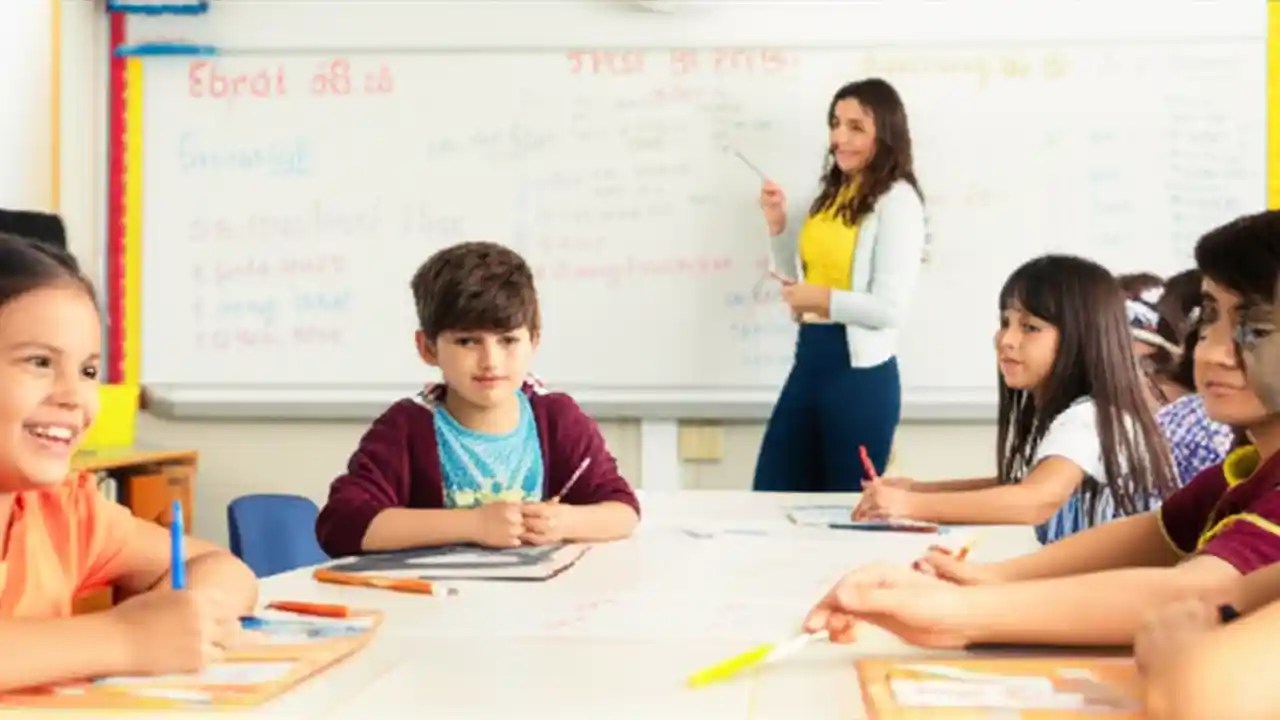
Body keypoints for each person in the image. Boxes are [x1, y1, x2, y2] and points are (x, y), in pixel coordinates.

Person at [803, 210, 1280, 650]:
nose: (1212, 352)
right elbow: (1157, 534)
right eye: (1210, 318)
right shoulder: (1244, 469)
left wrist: (959, 612)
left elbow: (1207, 590)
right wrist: (995, 580)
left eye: (1255, 329)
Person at [0, 233, 257, 692]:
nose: (74, 396)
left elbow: (222, 565)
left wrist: (186, 618)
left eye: (89, 372)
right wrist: (124, 639)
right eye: (39, 361)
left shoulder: (65, 512)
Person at [315, 241, 640, 556]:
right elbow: (342, 525)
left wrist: (565, 521)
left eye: (508, 340)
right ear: (428, 348)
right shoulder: (406, 428)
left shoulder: (556, 418)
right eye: (468, 341)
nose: (490, 361)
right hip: (433, 605)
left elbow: (623, 510)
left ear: (534, 340)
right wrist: (473, 524)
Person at [853, 255, 1176, 543]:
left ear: (1081, 338)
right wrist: (915, 490)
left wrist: (910, 506)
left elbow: (1035, 500)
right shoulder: (1088, 413)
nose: (1006, 340)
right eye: (1005, 323)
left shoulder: (1087, 418)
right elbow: (1023, 485)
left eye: (1030, 327)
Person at [752, 77, 927, 493]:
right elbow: (795, 278)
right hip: (810, 362)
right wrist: (778, 225)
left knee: (847, 512)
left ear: (884, 134)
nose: (839, 138)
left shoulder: (898, 201)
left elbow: (889, 309)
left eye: (855, 127)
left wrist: (821, 298)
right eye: (835, 123)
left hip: (859, 378)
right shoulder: (831, 194)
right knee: (772, 495)